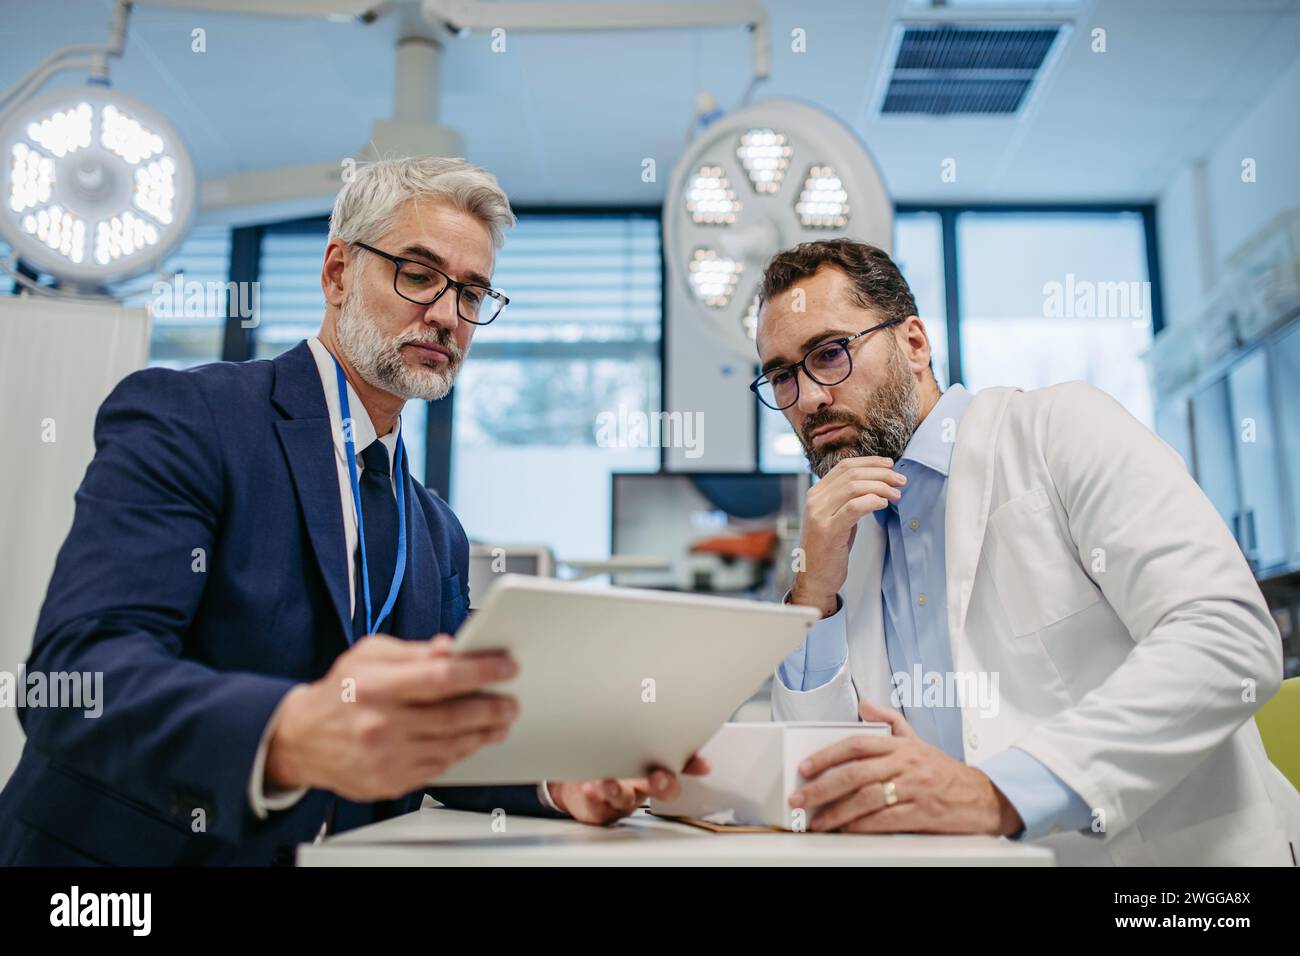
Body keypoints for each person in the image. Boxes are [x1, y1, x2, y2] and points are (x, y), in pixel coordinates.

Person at [0, 157, 699, 866]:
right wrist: (286, 733)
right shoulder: (192, 418)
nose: (447, 315)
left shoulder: (435, 531)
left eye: (473, 293)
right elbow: (78, 678)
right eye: (419, 274)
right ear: (338, 273)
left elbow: (442, 734)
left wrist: (561, 781)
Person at [753, 238, 1300, 865]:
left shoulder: (1060, 427)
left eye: (829, 354)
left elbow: (1229, 640)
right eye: (782, 375)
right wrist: (814, 597)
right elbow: (817, 774)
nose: (810, 398)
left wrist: (998, 794)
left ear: (913, 343)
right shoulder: (847, 540)